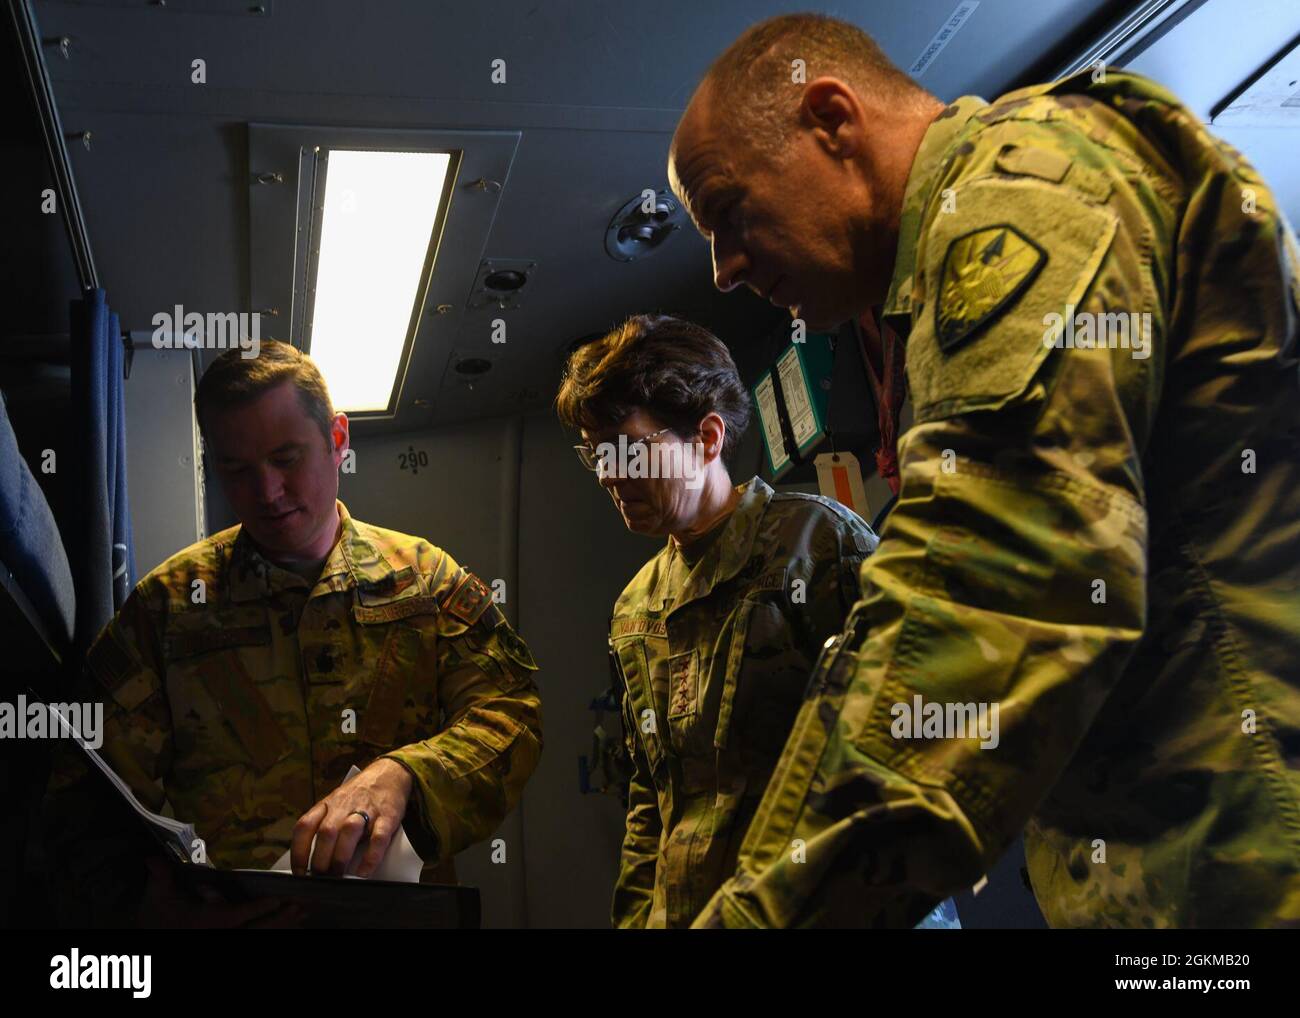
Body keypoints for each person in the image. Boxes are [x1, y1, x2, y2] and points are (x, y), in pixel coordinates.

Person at [668, 13, 1300, 928]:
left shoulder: (1024, 182)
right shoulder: (926, 289)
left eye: (729, 213)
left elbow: (992, 582)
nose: (723, 271)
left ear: (833, 120)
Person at [44, 340, 543, 926]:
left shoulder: (425, 580)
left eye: (286, 459)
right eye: (236, 468)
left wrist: (407, 774)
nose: (267, 492)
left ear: (337, 440)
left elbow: (512, 713)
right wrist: (150, 907)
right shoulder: (167, 608)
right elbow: (81, 792)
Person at [557, 313, 960, 929]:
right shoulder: (635, 609)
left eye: (628, 450)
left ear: (707, 438)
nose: (610, 475)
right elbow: (650, 799)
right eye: (596, 455)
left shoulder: (817, 544)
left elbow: (918, 748)